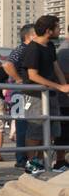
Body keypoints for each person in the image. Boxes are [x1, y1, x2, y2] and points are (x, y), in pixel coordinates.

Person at [16, 14, 68, 172]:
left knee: (52, 129)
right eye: (58, 27)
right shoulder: (33, 48)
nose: (60, 30)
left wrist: (64, 86)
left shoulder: (50, 46)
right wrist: (59, 87)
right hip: (35, 95)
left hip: (50, 94)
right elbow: (32, 75)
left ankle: (44, 161)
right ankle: (32, 162)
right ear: (48, 30)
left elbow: (56, 67)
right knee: (35, 129)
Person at [2, 24, 36, 168]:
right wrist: (18, 80)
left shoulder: (28, 50)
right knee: (23, 126)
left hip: (21, 93)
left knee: (25, 126)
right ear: (29, 36)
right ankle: (22, 159)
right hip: (19, 93)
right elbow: (7, 65)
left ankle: (23, 158)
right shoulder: (22, 49)